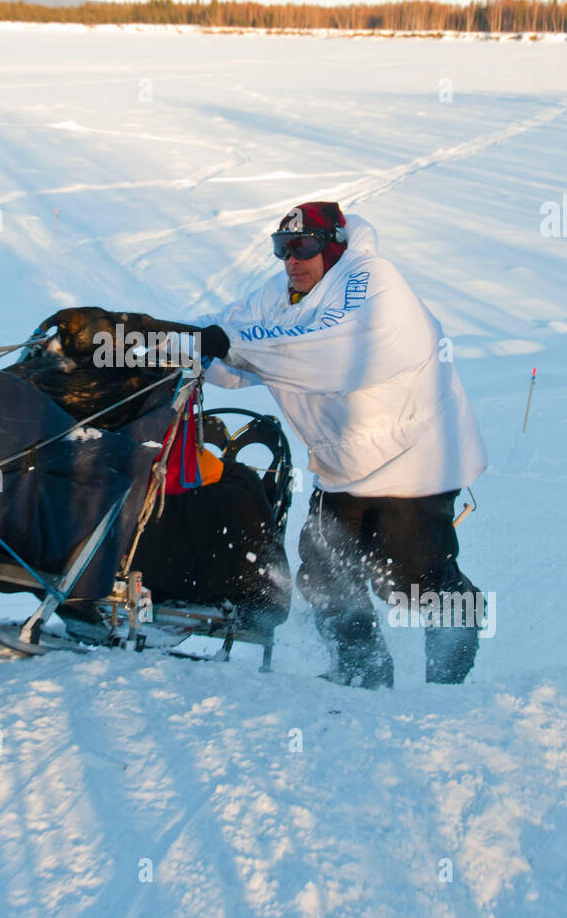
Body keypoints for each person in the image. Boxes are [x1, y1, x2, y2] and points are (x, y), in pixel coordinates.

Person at [196, 201, 488, 688]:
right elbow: (227, 335)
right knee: (325, 569)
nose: (291, 259)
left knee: (412, 579)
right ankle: (362, 672)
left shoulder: (371, 281)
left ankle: (450, 679)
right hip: (342, 464)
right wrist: (163, 342)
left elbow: (323, 352)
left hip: (413, 460)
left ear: (332, 246)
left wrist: (228, 342)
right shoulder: (281, 294)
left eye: (303, 246)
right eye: (281, 248)